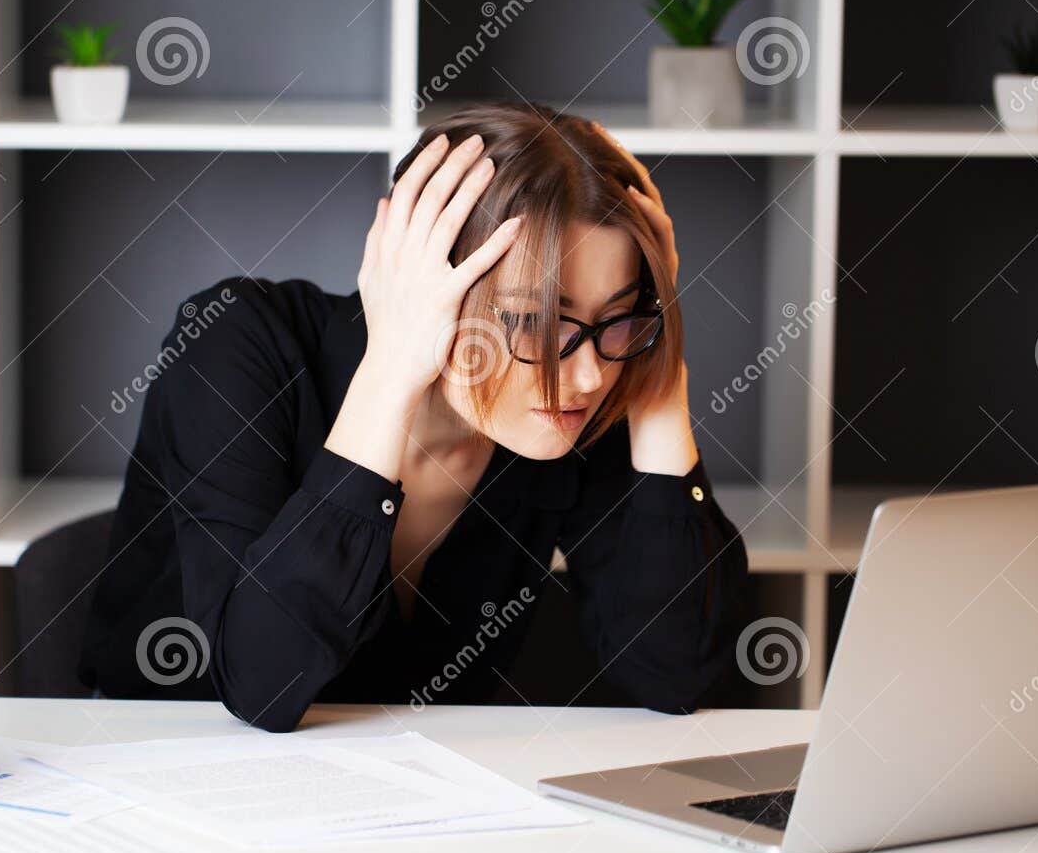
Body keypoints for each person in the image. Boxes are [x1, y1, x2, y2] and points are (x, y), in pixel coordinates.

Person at [79, 102, 749, 731]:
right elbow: (262, 685)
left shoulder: (578, 391)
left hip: (414, 815)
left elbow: (675, 674)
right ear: (424, 282)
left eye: (619, 316)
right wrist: (393, 367)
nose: (586, 375)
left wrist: (660, 375)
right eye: (536, 321)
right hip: (160, 774)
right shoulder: (235, 342)